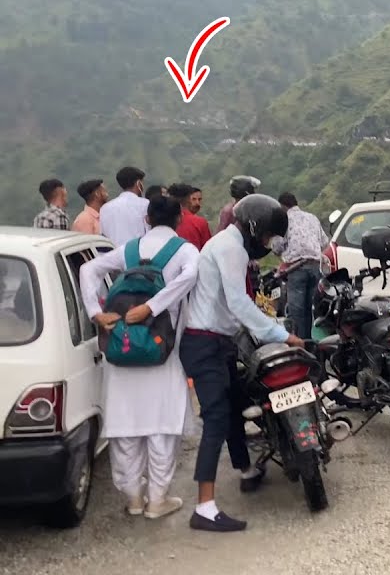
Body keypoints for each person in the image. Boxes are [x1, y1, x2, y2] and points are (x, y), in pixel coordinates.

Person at [180, 193, 304, 532]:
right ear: (254, 227)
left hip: (218, 340)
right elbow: (238, 302)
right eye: (265, 236)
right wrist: (281, 335)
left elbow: (234, 305)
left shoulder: (226, 242)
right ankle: (204, 508)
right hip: (205, 343)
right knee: (217, 418)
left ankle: (245, 468)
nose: (266, 243)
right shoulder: (231, 248)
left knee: (234, 403)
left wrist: (271, 328)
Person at [79, 195, 198, 520]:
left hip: (122, 349)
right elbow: (190, 277)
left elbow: (88, 269)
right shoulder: (186, 251)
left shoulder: (128, 251)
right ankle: (157, 500)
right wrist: (153, 307)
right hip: (163, 352)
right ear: (179, 219)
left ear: (146, 219)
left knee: (126, 427)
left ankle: (133, 499)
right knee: (161, 427)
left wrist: (95, 312)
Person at [272, 192, 327, 339]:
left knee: (297, 311)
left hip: (296, 269)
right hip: (316, 267)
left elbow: (277, 247)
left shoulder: (284, 220)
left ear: (282, 206)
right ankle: (311, 344)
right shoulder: (312, 218)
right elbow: (323, 242)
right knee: (311, 309)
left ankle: (300, 345)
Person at [101, 166, 150, 246]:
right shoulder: (145, 204)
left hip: (114, 255)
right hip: (137, 254)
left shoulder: (105, 208)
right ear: (138, 183)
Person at [170, 183, 213, 250]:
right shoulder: (200, 222)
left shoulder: (165, 221)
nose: (197, 203)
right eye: (193, 199)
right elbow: (208, 249)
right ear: (188, 199)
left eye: (199, 199)